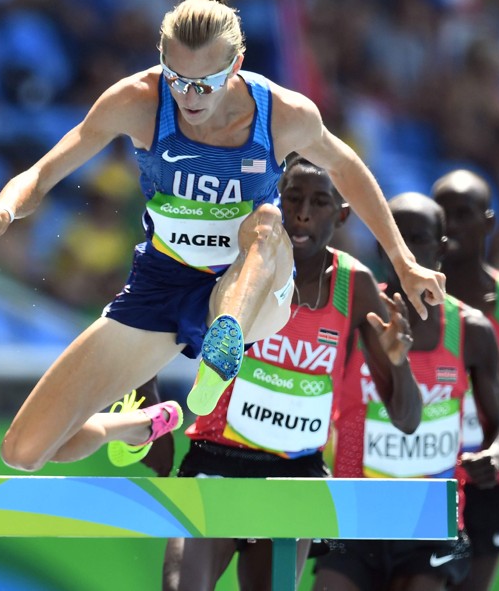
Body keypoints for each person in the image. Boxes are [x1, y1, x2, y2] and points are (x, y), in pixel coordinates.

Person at [0, 0, 445, 474]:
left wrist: (403, 261)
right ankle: (139, 424)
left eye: (204, 83)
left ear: (237, 64)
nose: (188, 96)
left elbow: (346, 168)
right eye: (176, 77)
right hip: (163, 283)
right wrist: (3, 210)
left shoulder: (283, 115)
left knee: (267, 220)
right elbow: (44, 171)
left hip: (254, 288)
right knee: (23, 452)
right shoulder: (137, 101)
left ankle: (221, 343)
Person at [152, 156, 422, 591]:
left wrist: (396, 361)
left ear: (343, 212)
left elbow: (407, 420)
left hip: (296, 475)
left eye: (319, 203)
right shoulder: (238, 264)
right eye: (292, 199)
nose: (302, 214)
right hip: (216, 461)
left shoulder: (356, 286)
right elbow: (151, 327)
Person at [314, 192, 499, 591]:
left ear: (442, 246)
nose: (405, 250)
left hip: (429, 520)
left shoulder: (471, 330)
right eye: (395, 239)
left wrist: (494, 456)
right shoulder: (354, 317)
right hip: (357, 513)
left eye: (417, 238)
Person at [431, 169, 499, 591]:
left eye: (464, 213)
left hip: (488, 477)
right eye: (444, 214)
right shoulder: (413, 297)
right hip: (424, 472)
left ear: (488, 222)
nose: (452, 225)